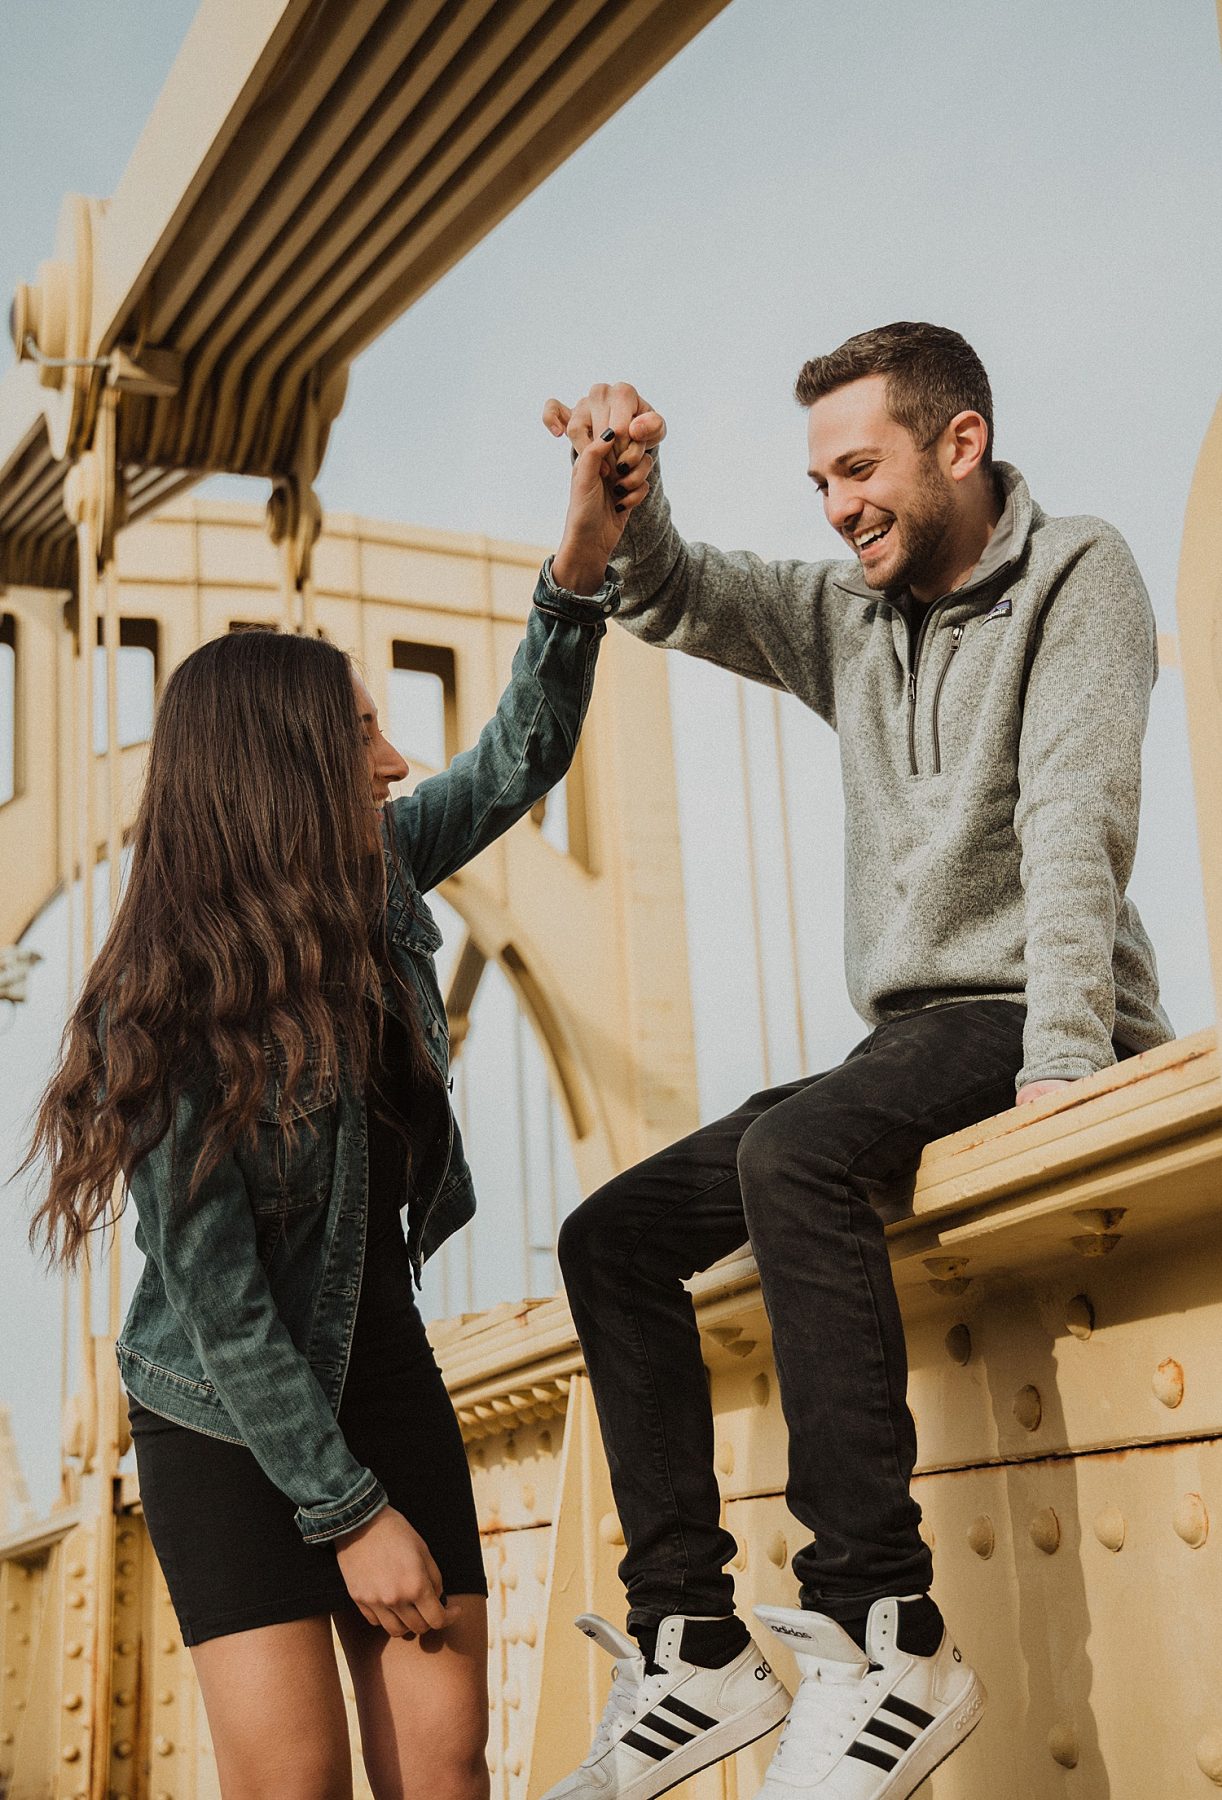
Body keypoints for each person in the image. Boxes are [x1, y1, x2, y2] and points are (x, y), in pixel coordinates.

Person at [535, 323, 1173, 1800]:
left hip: (1020, 1010)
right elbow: (678, 593)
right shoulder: (847, 615)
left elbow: (1074, 820)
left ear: (959, 443)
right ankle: (689, 1644)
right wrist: (626, 491)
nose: (835, 507)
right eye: (820, 480)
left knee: (793, 1152)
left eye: (858, 468)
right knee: (611, 1237)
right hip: (904, 1037)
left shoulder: (1079, 569)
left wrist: (1059, 1070)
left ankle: (882, 1628)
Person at [20, 430, 628, 1800]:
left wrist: (579, 566)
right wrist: (350, 1517)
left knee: (442, 1767)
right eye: (363, 729)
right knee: (296, 1784)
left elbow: (517, 755)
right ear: (282, 768)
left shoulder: (382, 889)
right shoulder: (156, 1008)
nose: (399, 757)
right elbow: (223, 1306)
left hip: (379, 1367)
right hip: (219, 1422)